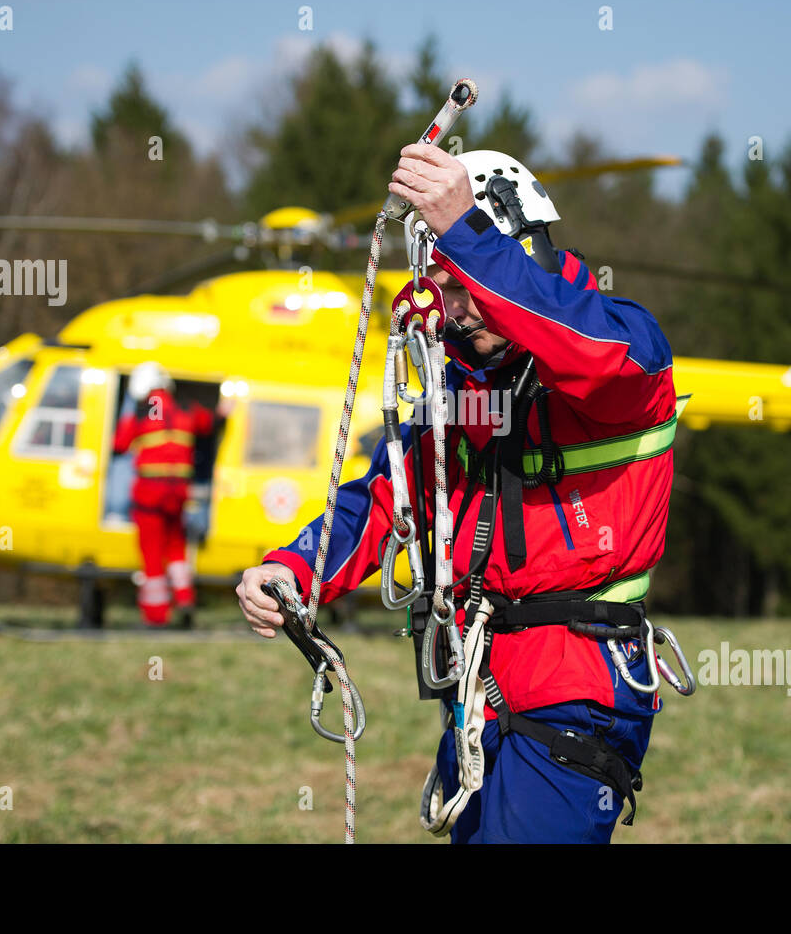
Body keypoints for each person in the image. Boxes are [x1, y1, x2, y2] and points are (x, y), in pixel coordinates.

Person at [237, 144, 680, 843]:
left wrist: (461, 231)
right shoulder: (457, 385)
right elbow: (387, 500)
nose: (453, 311)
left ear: (519, 252)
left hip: (577, 684)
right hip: (477, 689)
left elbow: (586, 347)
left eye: (465, 282)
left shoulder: (625, 343)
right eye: (441, 287)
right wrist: (293, 568)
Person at [115, 362, 231, 627]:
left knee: (152, 554)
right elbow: (211, 423)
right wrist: (225, 411)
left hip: (149, 496)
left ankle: (157, 616)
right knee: (177, 548)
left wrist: (129, 410)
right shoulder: (186, 409)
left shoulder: (141, 414)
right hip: (178, 495)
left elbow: (119, 444)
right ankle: (185, 598)